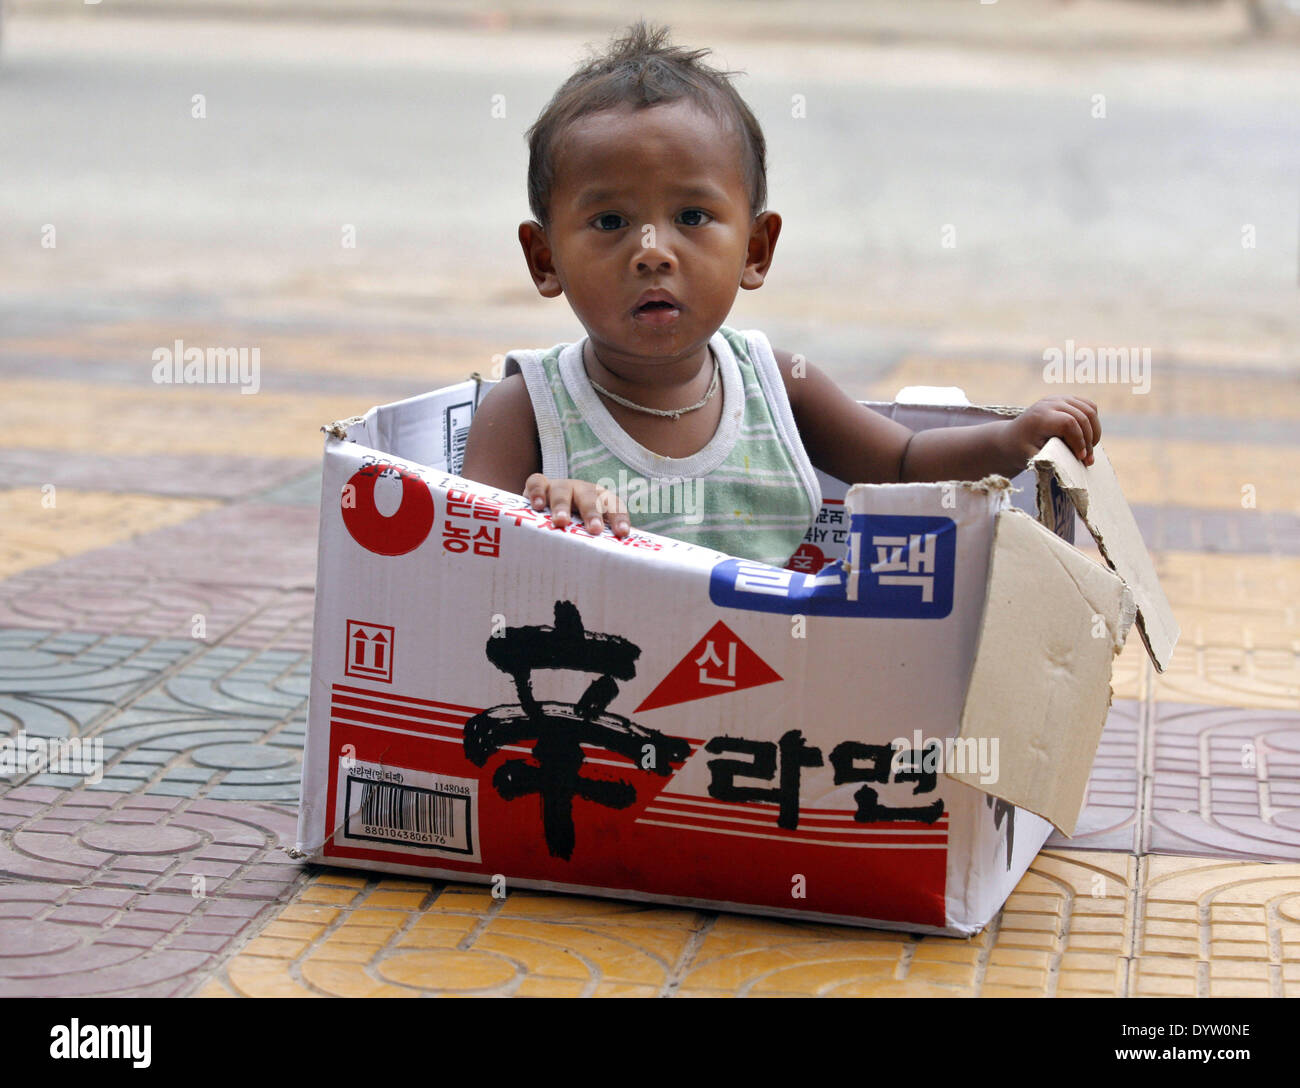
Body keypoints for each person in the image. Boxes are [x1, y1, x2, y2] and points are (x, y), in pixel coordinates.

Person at [460, 21, 1100, 568]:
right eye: (609, 223)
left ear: (756, 251)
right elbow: (462, 547)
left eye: (691, 217)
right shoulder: (526, 409)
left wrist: (1012, 440)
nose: (652, 249)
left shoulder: (779, 385)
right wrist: (539, 514)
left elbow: (903, 461)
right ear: (545, 261)